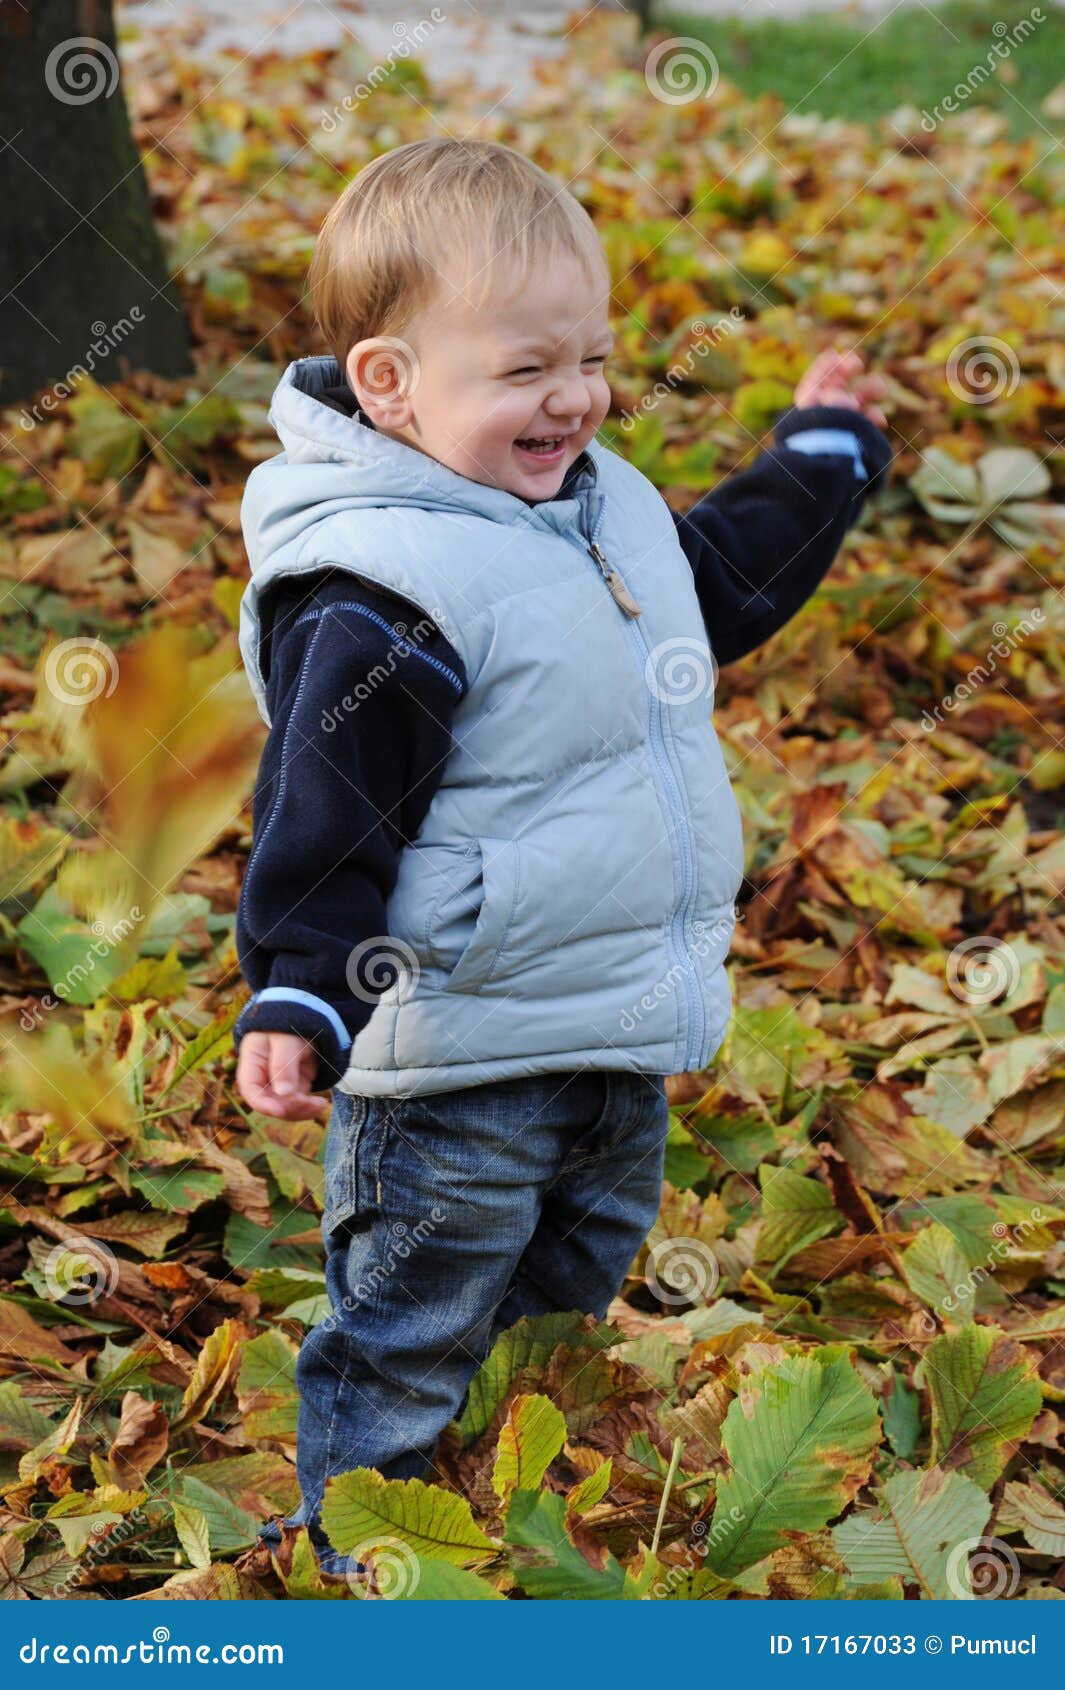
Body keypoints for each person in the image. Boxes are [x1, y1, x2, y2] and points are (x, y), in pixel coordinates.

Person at [231, 138, 891, 1576]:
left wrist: (816, 460)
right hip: (454, 1050)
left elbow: (709, 583)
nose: (577, 397)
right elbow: (327, 807)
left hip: (603, 1029)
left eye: (590, 358)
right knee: (411, 1324)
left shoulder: (595, 501)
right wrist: (300, 986)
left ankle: (510, 1499)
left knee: (559, 1299)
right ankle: (364, 1558)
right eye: (528, 368)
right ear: (390, 381)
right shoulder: (382, 586)